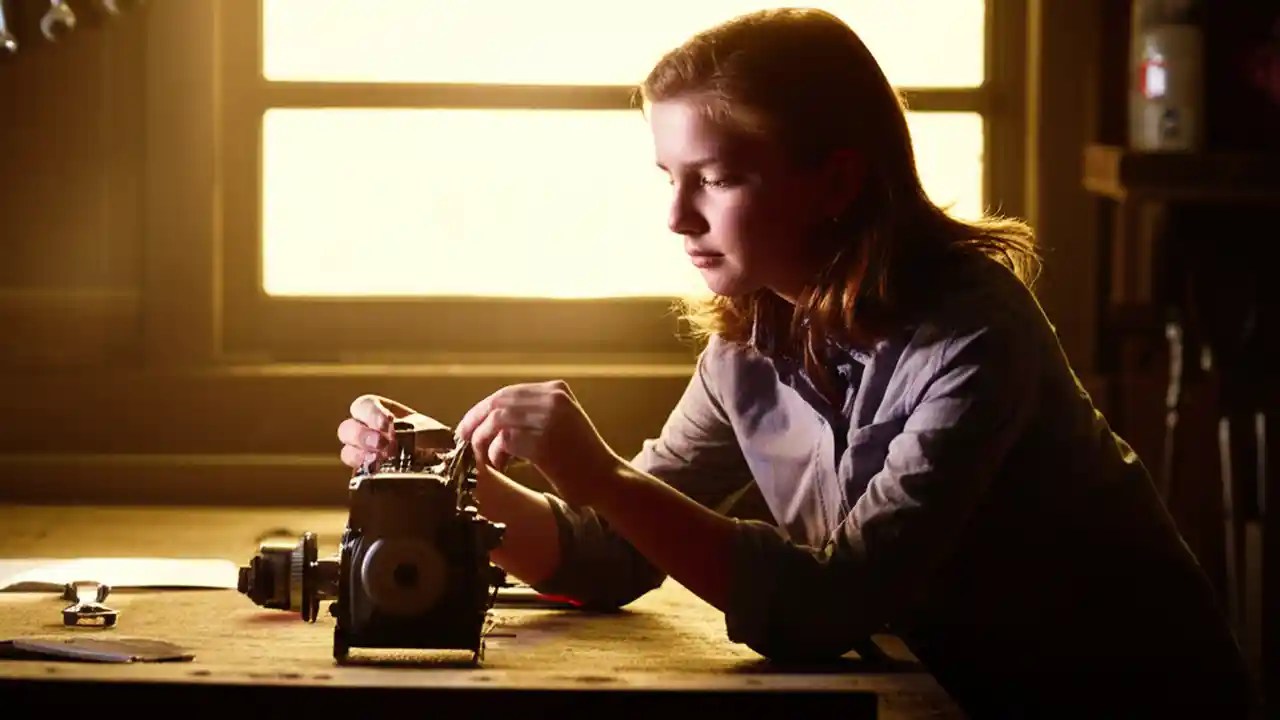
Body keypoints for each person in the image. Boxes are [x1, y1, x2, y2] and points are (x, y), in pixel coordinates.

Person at [336, 9, 1255, 717]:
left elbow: (831, 606)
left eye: (719, 177)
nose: (677, 217)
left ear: (837, 182)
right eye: (669, 178)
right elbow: (611, 557)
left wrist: (606, 475)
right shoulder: (749, 344)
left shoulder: (976, 338)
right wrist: (448, 486)